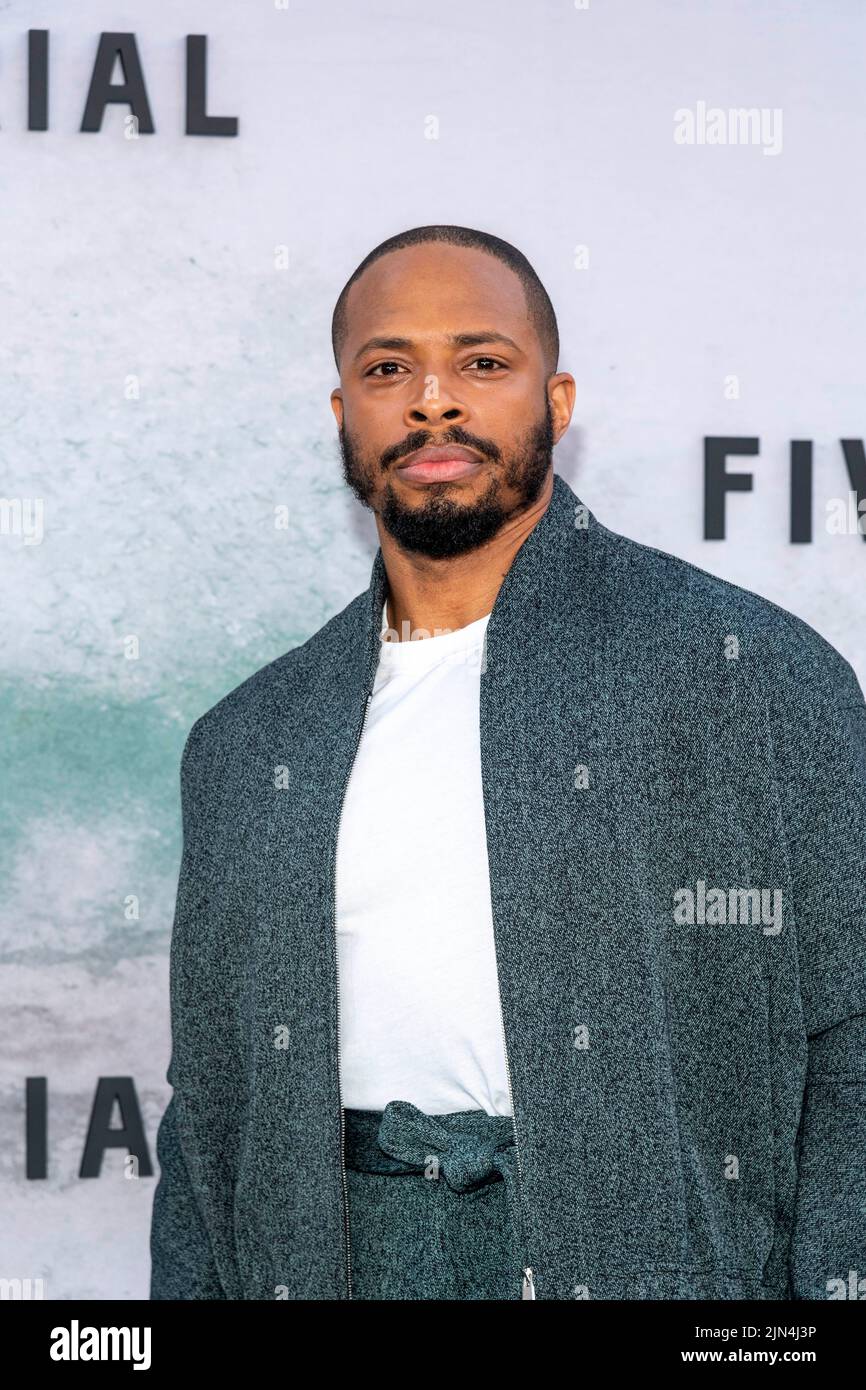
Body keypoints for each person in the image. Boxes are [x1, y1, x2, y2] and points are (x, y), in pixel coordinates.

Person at [150, 225, 866, 1300]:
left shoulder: (746, 672)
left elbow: (849, 1053)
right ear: (343, 415)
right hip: (337, 1261)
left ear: (556, 401)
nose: (432, 400)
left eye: (481, 362)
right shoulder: (251, 742)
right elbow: (208, 1108)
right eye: (388, 369)